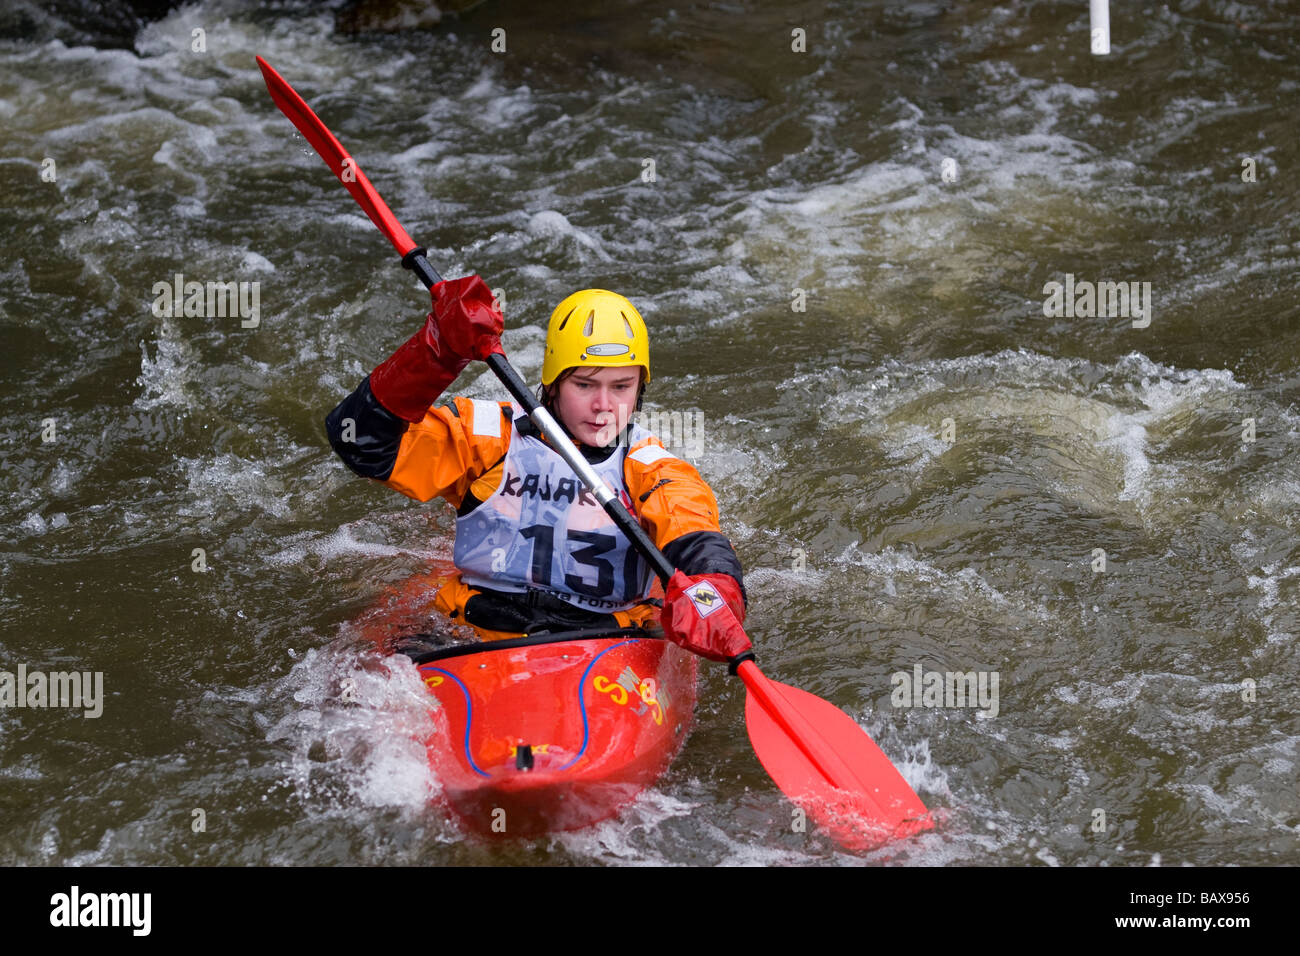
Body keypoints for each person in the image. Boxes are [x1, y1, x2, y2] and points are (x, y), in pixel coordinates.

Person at [324, 275, 751, 665]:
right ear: (552, 383)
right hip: (468, 633)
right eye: (584, 384)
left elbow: (695, 536)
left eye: (621, 387)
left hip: (602, 643)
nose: (604, 406)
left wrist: (716, 592)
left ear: (640, 389)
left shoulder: (651, 467)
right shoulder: (490, 436)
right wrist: (436, 350)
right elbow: (357, 441)